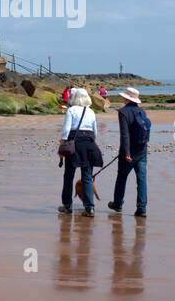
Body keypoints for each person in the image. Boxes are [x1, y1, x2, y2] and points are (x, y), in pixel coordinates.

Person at [58, 87, 102, 217]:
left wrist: (62, 142)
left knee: (69, 175)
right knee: (87, 177)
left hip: (74, 142)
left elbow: (66, 129)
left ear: (74, 98)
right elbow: (95, 132)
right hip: (89, 143)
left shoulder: (71, 110)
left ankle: (67, 205)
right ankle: (89, 208)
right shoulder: (91, 112)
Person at [109, 86, 150, 218]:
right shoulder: (142, 111)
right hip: (142, 150)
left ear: (125, 98)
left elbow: (124, 134)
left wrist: (126, 152)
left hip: (129, 151)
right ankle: (142, 209)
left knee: (121, 177)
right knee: (142, 180)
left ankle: (118, 204)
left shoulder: (123, 112)